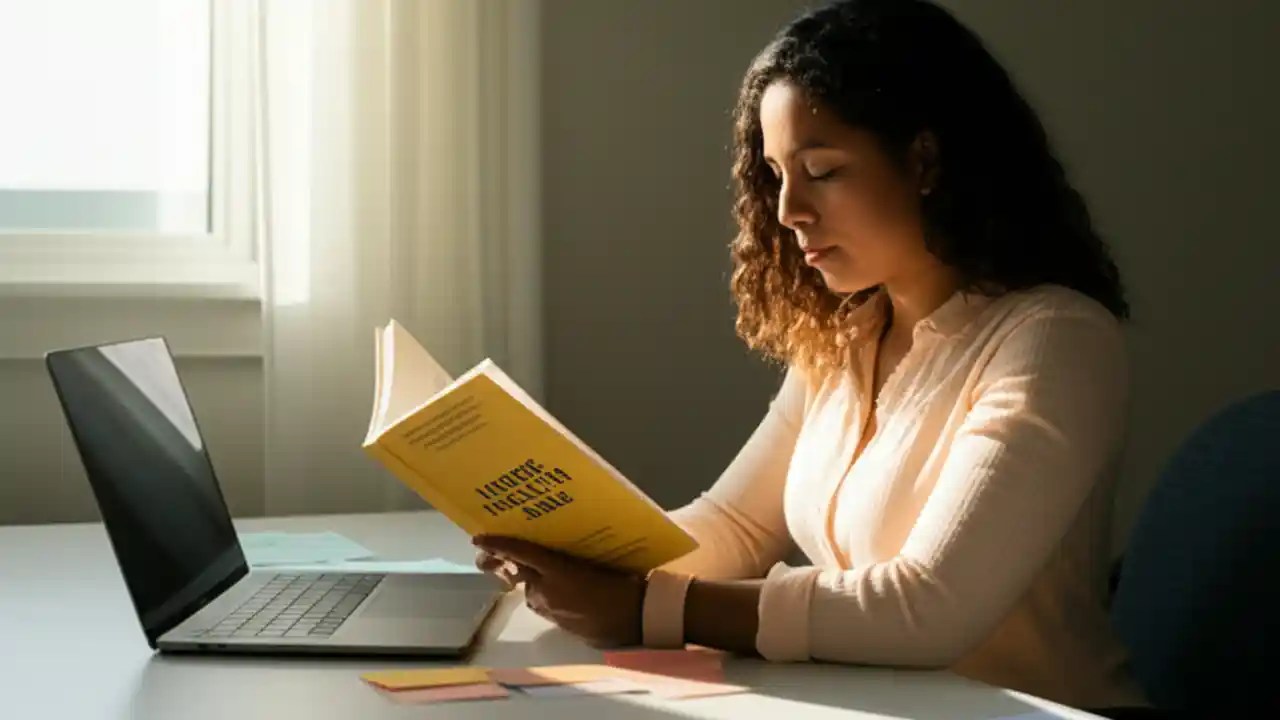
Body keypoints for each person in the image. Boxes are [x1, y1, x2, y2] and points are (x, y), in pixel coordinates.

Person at [475, 0, 1145, 709]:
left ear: (924, 160)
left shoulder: (1055, 341)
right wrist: (569, 559)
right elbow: (734, 526)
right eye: (775, 175)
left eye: (821, 170)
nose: (789, 209)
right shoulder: (845, 337)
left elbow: (925, 611)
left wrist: (648, 610)